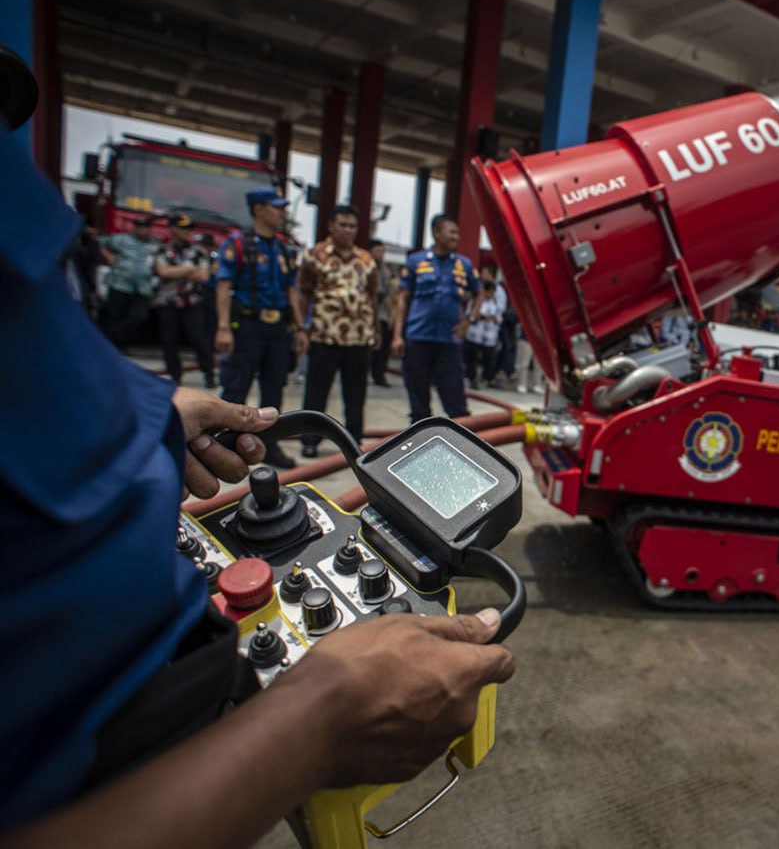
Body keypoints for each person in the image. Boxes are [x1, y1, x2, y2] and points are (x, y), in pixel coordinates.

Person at [0, 127, 515, 848]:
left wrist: (142, 416)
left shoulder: (391, 265)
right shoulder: (254, 251)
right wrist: (308, 729)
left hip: (151, 661)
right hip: (101, 735)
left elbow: (29, 353)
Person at [214, 187, 308, 469]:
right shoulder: (237, 244)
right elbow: (223, 286)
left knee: (274, 389)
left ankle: (269, 444)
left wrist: (300, 327)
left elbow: (292, 291)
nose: (282, 212)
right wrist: (222, 327)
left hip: (278, 328)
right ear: (258, 210)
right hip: (246, 326)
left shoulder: (283, 248)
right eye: (276, 207)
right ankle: (224, 444)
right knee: (235, 387)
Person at [297, 205, 380, 459]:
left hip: (358, 337)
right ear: (331, 226)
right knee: (316, 393)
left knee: (355, 396)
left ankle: (354, 444)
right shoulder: (314, 256)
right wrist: (301, 327)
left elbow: (373, 295)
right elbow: (302, 291)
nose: (347, 230)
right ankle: (310, 439)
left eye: (352, 226)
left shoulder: (366, 259)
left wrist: (376, 328)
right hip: (325, 335)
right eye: (342, 224)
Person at [391, 215, 478, 421]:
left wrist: (468, 320)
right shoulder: (416, 262)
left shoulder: (463, 265)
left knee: (456, 400)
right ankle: (421, 441)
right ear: (436, 233)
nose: (456, 237)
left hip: (449, 341)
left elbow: (478, 293)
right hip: (418, 338)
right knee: (418, 399)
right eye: (451, 232)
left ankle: (462, 444)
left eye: (457, 233)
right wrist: (397, 336)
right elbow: (402, 299)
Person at [153, 214, 216, 388]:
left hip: (192, 302)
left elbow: (203, 276)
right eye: (182, 228)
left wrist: (176, 271)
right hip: (168, 302)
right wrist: (189, 269)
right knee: (169, 340)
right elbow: (163, 272)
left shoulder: (198, 252)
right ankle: (175, 375)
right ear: (172, 228)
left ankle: (209, 374)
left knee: (198, 338)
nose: (186, 232)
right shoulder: (162, 250)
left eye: (188, 228)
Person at [98, 215, 158, 350]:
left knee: (138, 316)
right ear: (135, 227)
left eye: (145, 227)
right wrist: (109, 257)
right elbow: (101, 242)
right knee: (114, 316)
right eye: (140, 227)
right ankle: (112, 347)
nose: (142, 230)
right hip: (120, 284)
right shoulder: (122, 239)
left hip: (142, 287)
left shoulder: (154, 245)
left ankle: (113, 338)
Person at [464, 279, 502, 389]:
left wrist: (494, 318)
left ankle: (488, 378)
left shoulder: (495, 303)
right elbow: (469, 315)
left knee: (488, 358)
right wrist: (481, 317)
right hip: (475, 335)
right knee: (473, 358)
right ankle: (472, 378)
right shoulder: (475, 302)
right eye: (489, 291)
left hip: (490, 336)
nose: (491, 294)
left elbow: (500, 317)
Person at [368, 239, 394, 388]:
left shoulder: (386, 271)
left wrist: (391, 315)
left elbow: (389, 295)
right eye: (378, 251)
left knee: (383, 347)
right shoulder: (365, 268)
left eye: (383, 251)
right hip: (367, 314)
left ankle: (379, 375)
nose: (381, 254)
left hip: (382, 312)